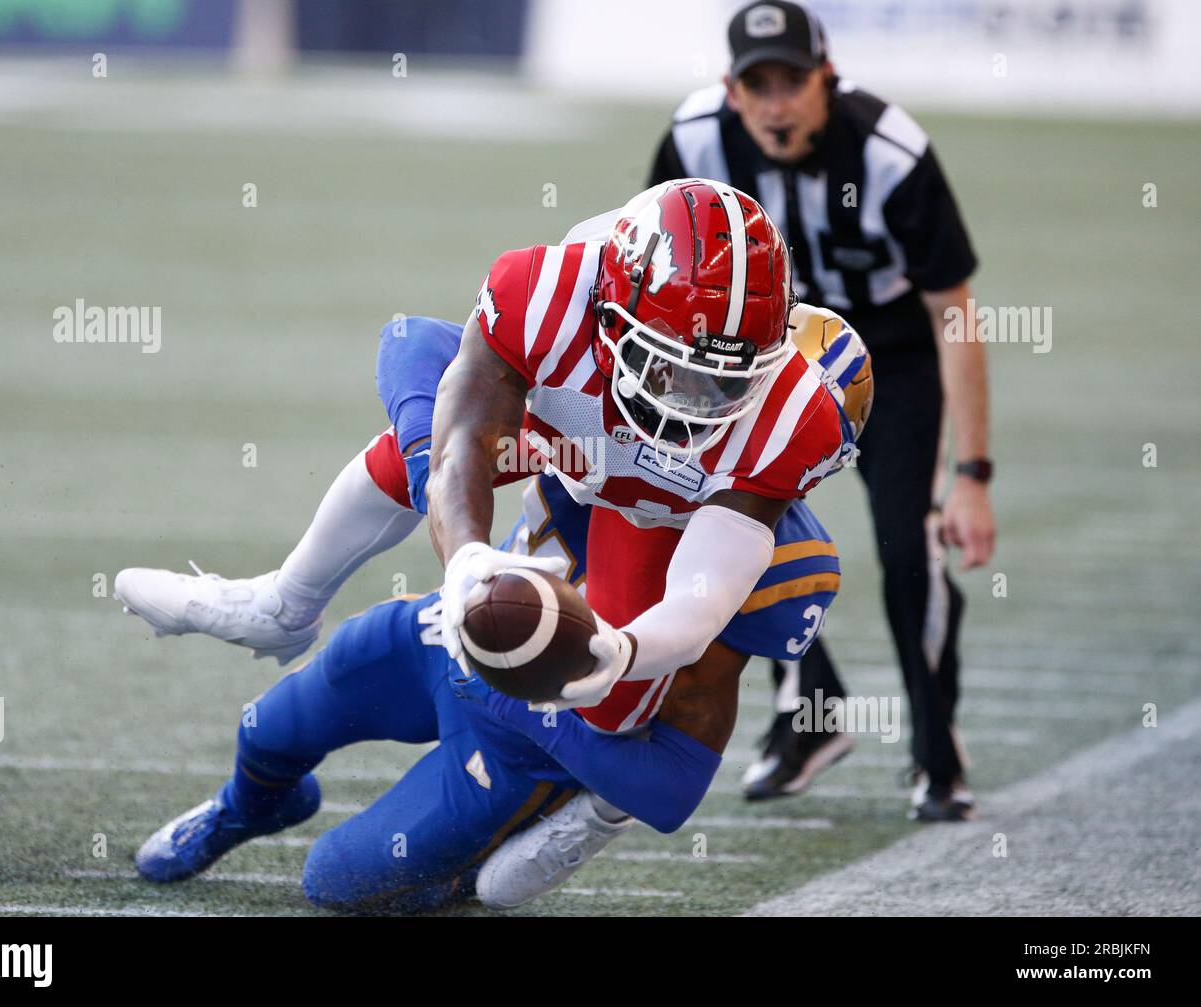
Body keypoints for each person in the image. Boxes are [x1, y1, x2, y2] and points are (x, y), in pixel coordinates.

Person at [121, 181, 873, 906]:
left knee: (336, 880)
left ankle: (533, 831)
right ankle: (283, 613)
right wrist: (472, 563)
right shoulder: (549, 298)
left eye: (725, 383)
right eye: (674, 367)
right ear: (612, 318)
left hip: (531, 728)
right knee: (274, 722)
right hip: (473, 615)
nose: (693, 403)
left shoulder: (781, 437)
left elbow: (699, 616)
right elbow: (430, 396)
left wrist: (619, 658)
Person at [648, 2, 995, 819]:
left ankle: (937, 753)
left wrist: (973, 475)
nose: (776, 103)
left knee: (908, 544)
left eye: (792, 82)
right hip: (768, 353)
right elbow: (656, 264)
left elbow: (955, 313)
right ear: (730, 91)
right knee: (727, 518)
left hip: (893, 356)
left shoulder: (889, 151)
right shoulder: (696, 137)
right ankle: (813, 714)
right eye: (756, 84)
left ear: (826, 77)